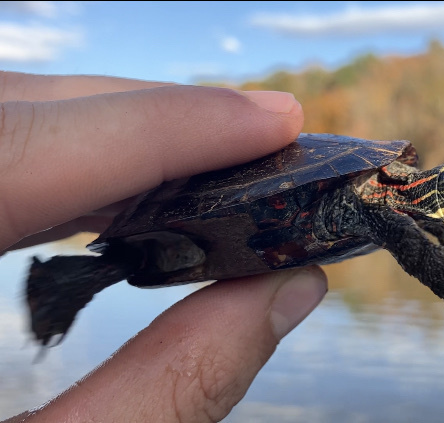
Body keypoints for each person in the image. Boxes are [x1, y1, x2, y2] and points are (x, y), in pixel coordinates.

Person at [0, 71, 327, 423]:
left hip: (180, 231)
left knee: (136, 257)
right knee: (137, 256)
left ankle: (72, 279)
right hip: (204, 214)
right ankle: (73, 279)